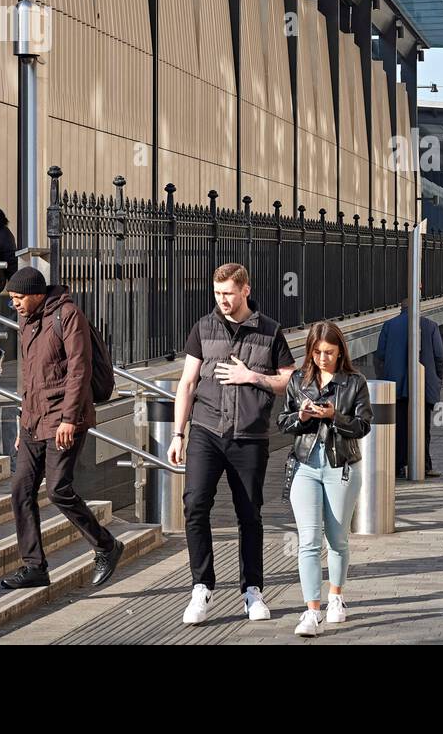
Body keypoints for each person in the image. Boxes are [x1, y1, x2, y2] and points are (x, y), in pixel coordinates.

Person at [169, 263, 296, 626]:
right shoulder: (203, 327)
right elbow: (187, 383)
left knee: (249, 513)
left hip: (250, 436)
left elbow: (289, 380)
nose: (222, 300)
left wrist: (251, 376)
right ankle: (201, 586)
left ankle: (252, 589)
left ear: (245, 290)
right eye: (217, 293)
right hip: (206, 431)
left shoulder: (270, 331)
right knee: (195, 504)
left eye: (228, 293)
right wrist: (179, 434)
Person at [0, 267, 123, 590]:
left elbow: (79, 369)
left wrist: (69, 418)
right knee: (20, 489)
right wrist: (21, 420)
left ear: (37, 294)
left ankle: (106, 545)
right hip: (32, 422)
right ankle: (34, 566)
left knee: (58, 490)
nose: (15, 304)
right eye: (12, 299)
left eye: (19, 298)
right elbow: (28, 375)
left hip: (64, 420)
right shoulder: (27, 320)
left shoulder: (67, 314)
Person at [278, 322, 373, 637]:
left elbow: (362, 426)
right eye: (317, 352)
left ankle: (336, 596)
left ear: (340, 351)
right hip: (304, 465)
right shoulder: (297, 381)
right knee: (308, 540)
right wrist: (301, 417)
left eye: (329, 352)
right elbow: (283, 423)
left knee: (337, 538)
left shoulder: (354, 382)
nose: (322, 358)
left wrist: (335, 416)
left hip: (341, 466)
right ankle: (311, 611)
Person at [375, 301, 443, 478]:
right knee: (423, 427)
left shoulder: (389, 325)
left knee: (397, 427)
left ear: (401, 309)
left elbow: (380, 355)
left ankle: (398, 465)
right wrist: (438, 379)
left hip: (395, 386)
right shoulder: (430, 326)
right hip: (423, 386)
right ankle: (424, 464)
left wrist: (384, 377)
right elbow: (439, 356)